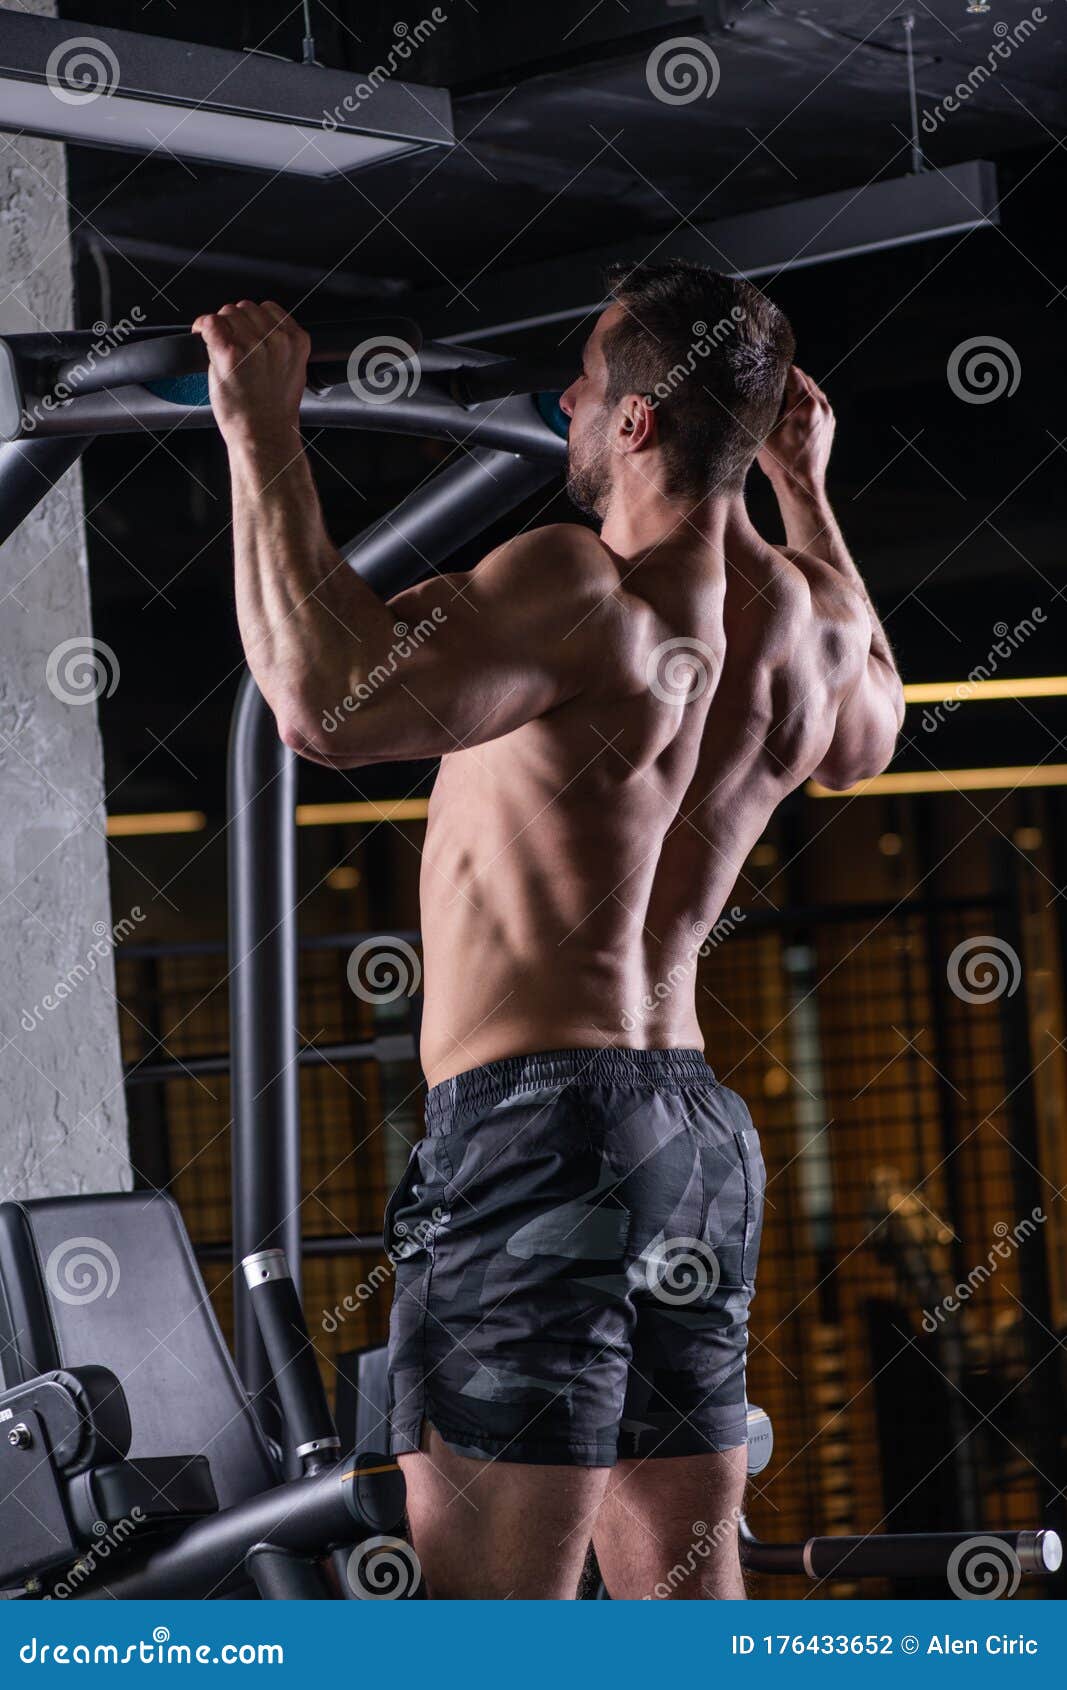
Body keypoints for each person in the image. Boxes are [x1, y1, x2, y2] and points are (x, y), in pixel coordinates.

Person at [194, 260, 904, 1600]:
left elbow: (321, 701)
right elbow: (869, 740)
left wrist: (261, 432)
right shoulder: (808, 623)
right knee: (685, 1618)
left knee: (491, 1631)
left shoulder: (585, 590)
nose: (568, 399)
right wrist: (803, 484)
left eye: (585, 379)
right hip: (690, 1134)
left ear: (633, 424)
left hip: (538, 1132)